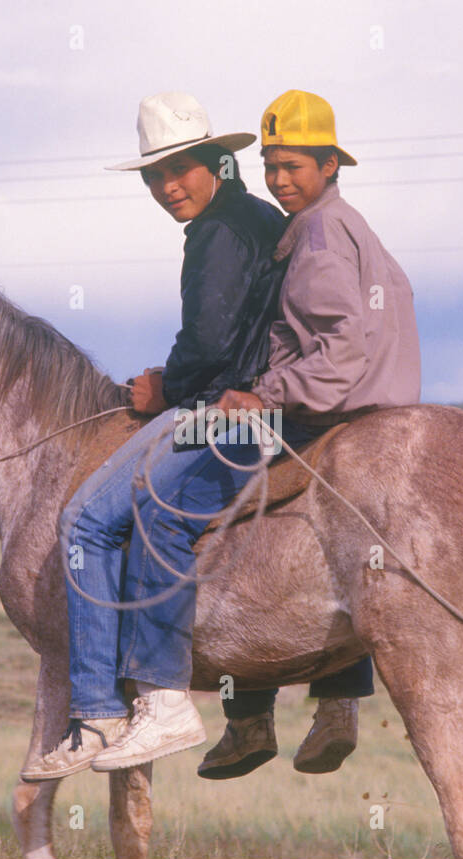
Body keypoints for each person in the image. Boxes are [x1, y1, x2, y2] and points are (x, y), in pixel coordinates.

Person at [21, 91, 326, 780]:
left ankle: (106, 708)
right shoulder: (259, 217)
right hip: (270, 411)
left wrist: (165, 385)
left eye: (178, 170)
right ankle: (285, 706)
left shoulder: (217, 231)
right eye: (153, 176)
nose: (166, 187)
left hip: (220, 414)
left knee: (86, 521)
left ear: (214, 161)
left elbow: (212, 341)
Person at [197, 89, 422, 780]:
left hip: (329, 416)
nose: (279, 179)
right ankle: (336, 709)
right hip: (379, 417)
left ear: (330, 164)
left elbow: (339, 351)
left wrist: (262, 393)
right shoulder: (350, 227)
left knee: (216, 514)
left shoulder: (319, 237)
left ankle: (247, 715)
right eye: (270, 166)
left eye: (293, 165)